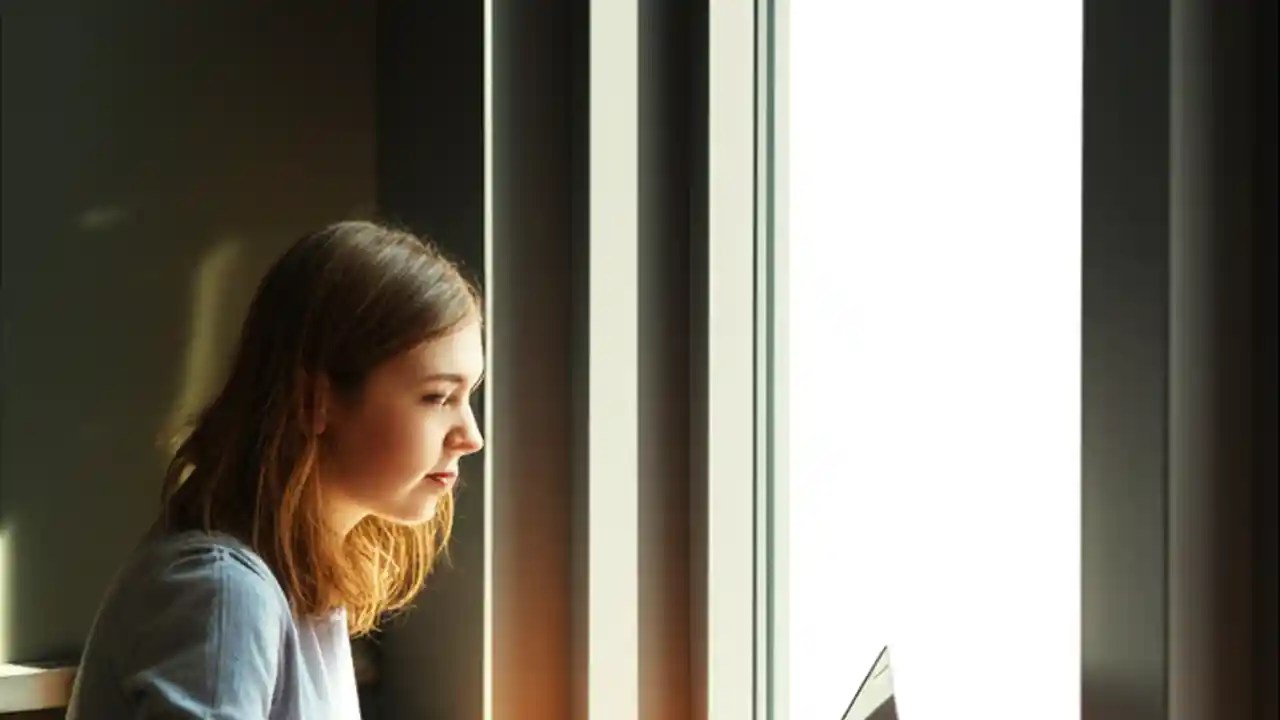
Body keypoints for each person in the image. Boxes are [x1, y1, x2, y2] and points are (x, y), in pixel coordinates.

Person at [66, 221, 486, 718]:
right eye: (438, 397)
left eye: (468, 396)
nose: (471, 437)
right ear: (314, 401)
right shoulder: (221, 594)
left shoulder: (299, 588)